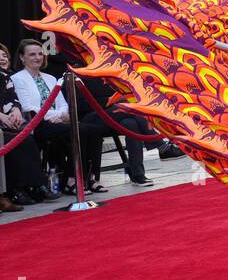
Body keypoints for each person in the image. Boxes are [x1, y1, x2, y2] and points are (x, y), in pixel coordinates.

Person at [10, 39, 74, 194]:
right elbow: (29, 108)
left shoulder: (51, 78)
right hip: (36, 125)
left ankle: (78, 178)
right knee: (82, 131)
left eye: (40, 54)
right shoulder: (17, 78)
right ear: (21, 57)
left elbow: (63, 103)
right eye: (32, 54)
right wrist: (55, 116)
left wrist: (60, 116)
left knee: (89, 130)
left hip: (57, 121)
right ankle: (70, 181)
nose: (37, 57)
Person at [77, 77, 155, 187]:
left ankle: (137, 173)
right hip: (91, 116)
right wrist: (109, 100)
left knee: (131, 125)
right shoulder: (76, 72)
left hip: (116, 114)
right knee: (131, 110)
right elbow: (80, 105)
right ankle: (160, 145)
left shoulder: (107, 72)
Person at [1, 42, 44, 210]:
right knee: (9, 141)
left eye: (4, 56)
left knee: (25, 138)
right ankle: (11, 191)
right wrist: (3, 116)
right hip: (2, 124)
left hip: (11, 122)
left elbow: (14, 100)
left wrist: (16, 110)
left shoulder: (8, 77)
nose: (2, 59)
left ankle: (32, 185)